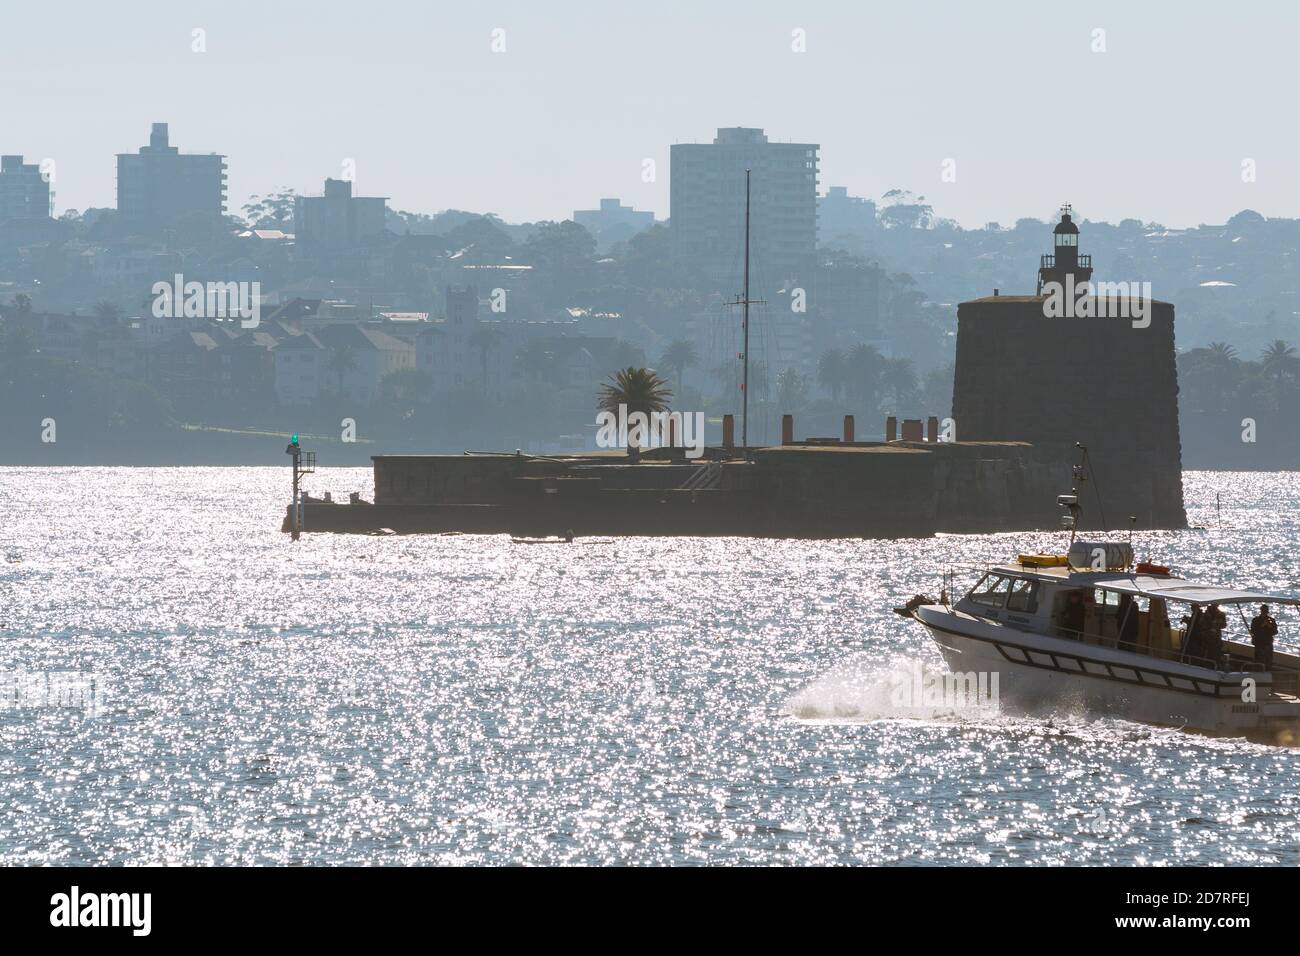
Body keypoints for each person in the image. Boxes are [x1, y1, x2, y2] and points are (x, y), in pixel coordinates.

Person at [1251, 604, 1278, 672]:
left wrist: (1269, 626)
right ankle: (1258, 673)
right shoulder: (1256, 620)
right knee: (1258, 660)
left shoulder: (1271, 620)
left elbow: (1275, 632)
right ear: (1261, 611)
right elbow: (1253, 631)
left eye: (1265, 611)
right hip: (1259, 643)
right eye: (1263, 611)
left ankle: (1267, 672)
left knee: (1268, 660)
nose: (1264, 612)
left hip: (1268, 643)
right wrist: (1261, 626)